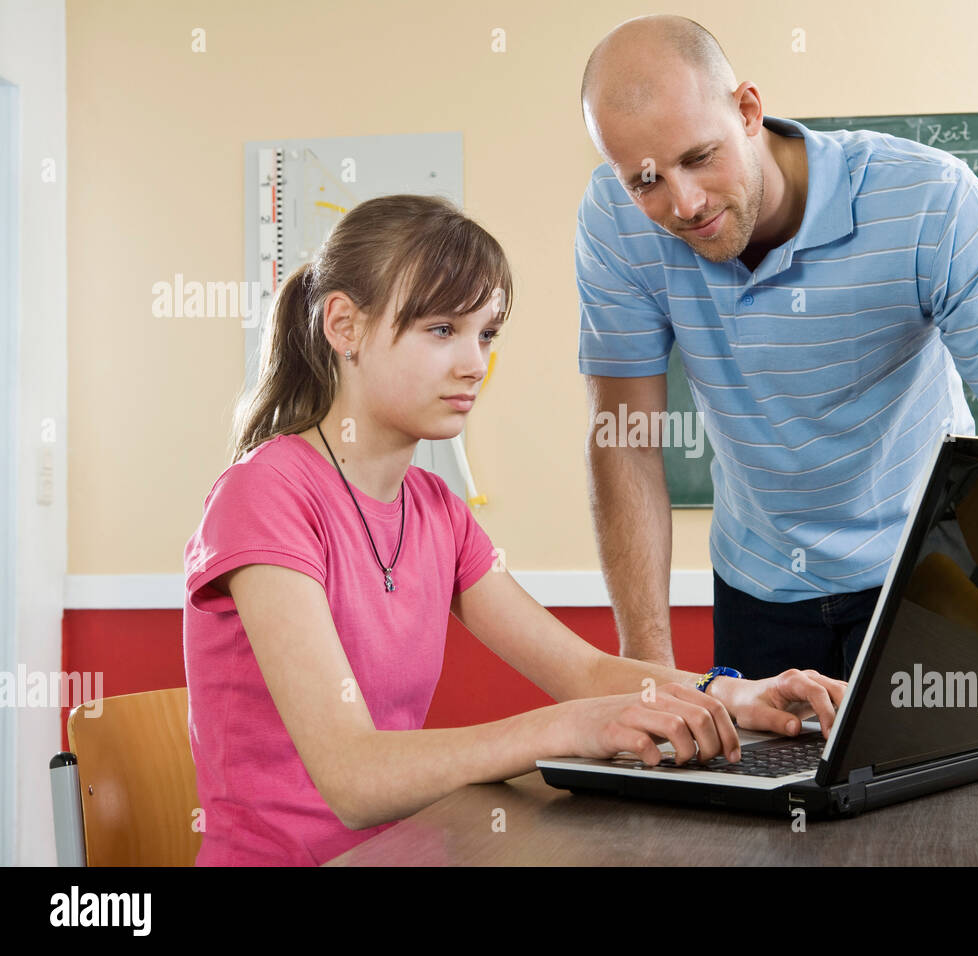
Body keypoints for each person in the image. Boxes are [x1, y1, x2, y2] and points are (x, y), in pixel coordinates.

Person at [575, 15, 978, 742]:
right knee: (770, 833)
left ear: (749, 111)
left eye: (701, 157)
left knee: (945, 824)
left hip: (931, 580)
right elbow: (626, 441)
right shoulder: (616, 224)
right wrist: (653, 681)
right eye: (645, 181)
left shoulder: (929, 200)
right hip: (757, 584)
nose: (684, 203)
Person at [182, 194, 847, 866]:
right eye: (442, 330)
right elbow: (353, 776)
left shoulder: (435, 508)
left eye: (486, 333)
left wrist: (735, 694)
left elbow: (581, 669)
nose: (475, 363)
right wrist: (565, 729)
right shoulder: (263, 493)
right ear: (345, 325)